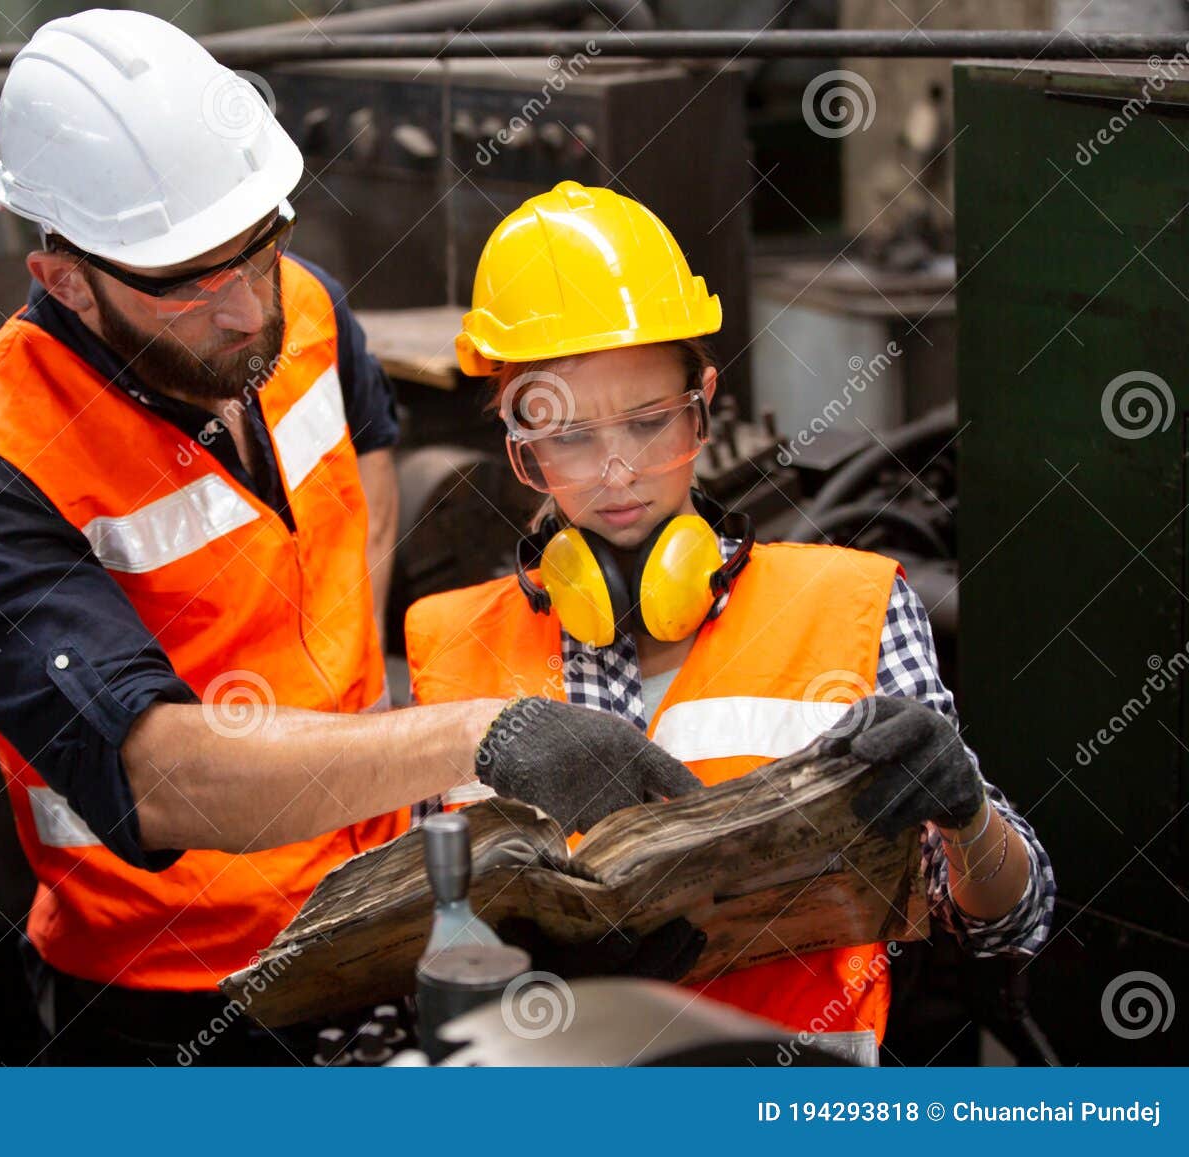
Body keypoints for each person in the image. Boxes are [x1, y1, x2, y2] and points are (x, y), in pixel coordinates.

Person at [0, 13, 691, 1065]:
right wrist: (479, 734)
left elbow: (366, 492)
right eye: (184, 281)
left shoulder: (303, 310)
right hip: (181, 986)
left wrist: (363, 765)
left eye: (258, 247)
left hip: (386, 905)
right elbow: (158, 773)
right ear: (65, 276)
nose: (241, 312)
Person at [404, 181, 1056, 1063]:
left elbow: (1009, 924)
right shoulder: (451, 649)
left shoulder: (850, 610)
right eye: (570, 437)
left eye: (649, 423)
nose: (618, 474)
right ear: (518, 442)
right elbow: (409, 949)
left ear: (704, 404)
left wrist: (969, 821)